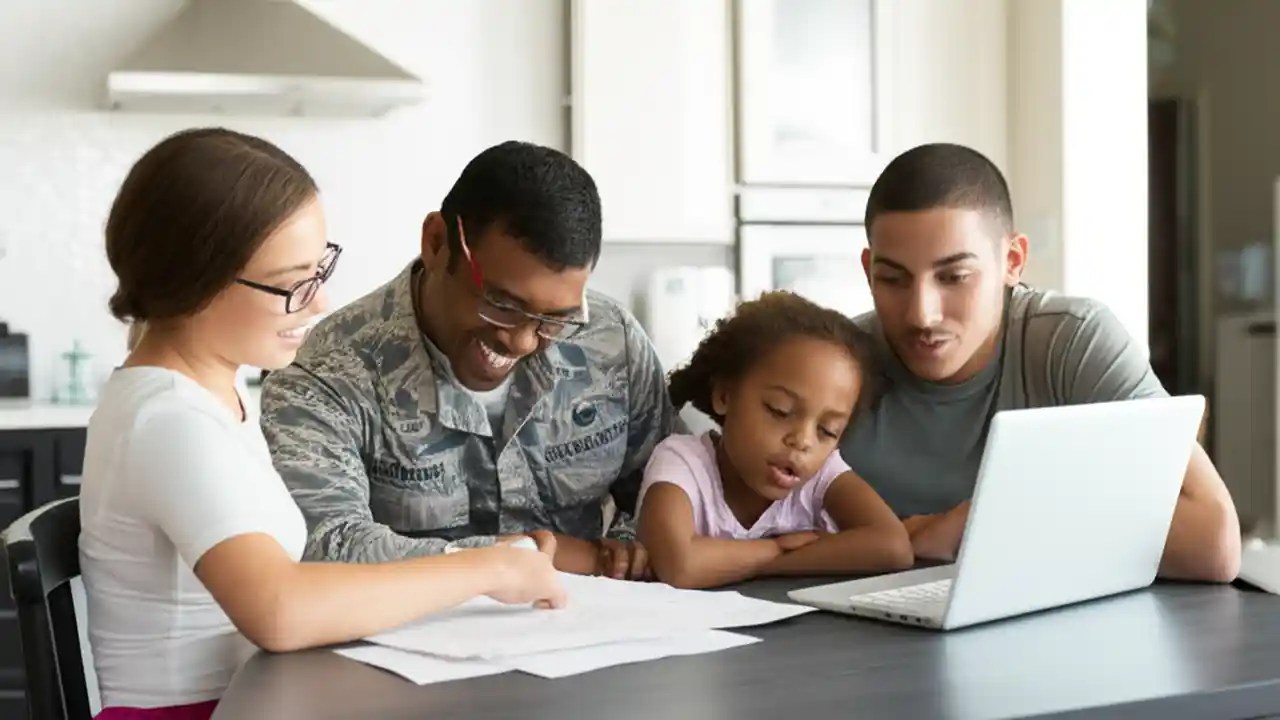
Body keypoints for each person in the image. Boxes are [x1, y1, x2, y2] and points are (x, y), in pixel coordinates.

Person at [79, 128, 565, 720]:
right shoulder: (170, 423)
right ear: (195, 283)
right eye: (292, 285)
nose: (318, 304)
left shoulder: (204, 397)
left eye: (320, 270)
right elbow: (280, 609)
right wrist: (487, 567)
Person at [260, 140, 674, 580]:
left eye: (555, 319)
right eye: (501, 303)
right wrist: (534, 559)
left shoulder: (612, 342)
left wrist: (628, 550)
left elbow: (670, 486)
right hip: (404, 637)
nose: (522, 341)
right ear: (437, 243)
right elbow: (327, 545)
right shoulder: (322, 373)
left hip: (602, 629)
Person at [839, 142, 1241, 582]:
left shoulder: (1072, 339)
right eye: (893, 279)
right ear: (867, 268)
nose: (922, 314)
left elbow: (1212, 541)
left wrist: (978, 519)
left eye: (954, 277)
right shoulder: (835, 363)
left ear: (1012, 261)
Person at [636, 291, 913, 589]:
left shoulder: (821, 476)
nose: (803, 441)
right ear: (724, 395)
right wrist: (776, 548)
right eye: (780, 411)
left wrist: (754, 563)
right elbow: (680, 565)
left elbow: (893, 547)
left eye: (827, 430)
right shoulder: (682, 462)